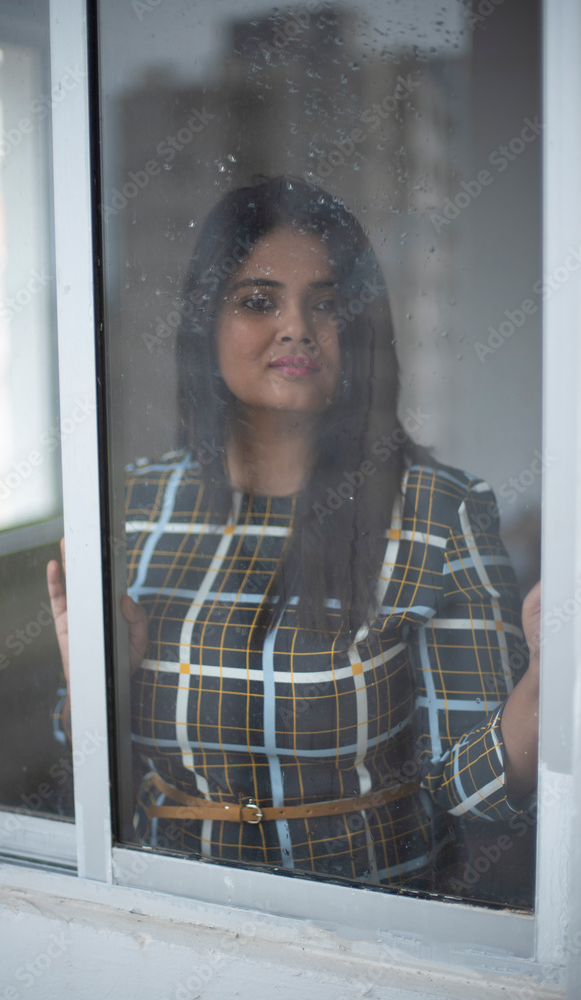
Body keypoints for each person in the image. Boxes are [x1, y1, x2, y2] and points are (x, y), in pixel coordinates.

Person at [48, 176, 540, 889]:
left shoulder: (441, 511)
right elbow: (84, 768)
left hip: (370, 930)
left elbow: (474, 791)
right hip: (166, 917)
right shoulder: (129, 505)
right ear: (204, 324)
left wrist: (549, 683)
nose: (296, 327)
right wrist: (90, 684)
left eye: (327, 303)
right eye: (257, 301)